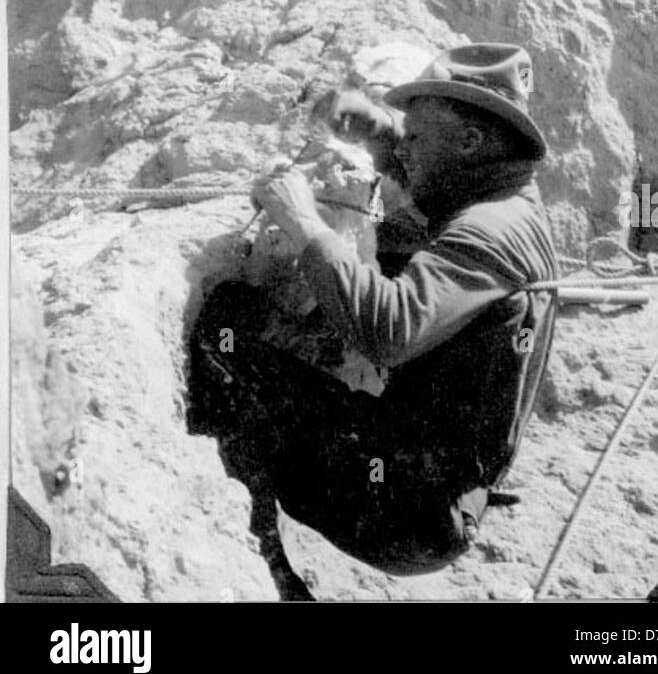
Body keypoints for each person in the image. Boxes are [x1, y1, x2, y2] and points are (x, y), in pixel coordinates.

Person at [189, 43, 558, 578]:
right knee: (382, 257)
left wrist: (301, 220)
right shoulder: (510, 198)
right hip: (440, 491)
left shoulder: (487, 232)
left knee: (227, 330)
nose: (404, 152)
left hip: (402, 511)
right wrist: (383, 133)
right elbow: (437, 195)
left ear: (471, 141)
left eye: (417, 140)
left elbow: (387, 331)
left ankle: (256, 560)